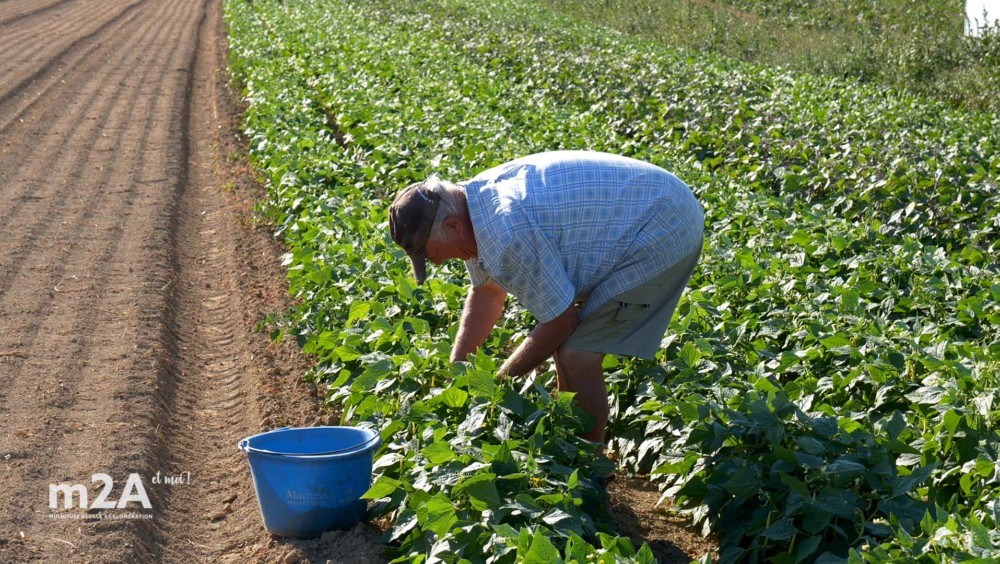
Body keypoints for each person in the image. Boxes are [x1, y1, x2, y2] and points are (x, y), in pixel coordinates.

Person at [389, 150, 704, 447]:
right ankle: (570, 436)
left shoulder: (505, 233)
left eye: (430, 254)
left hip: (663, 225)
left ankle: (591, 470)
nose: (437, 263)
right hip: (644, 206)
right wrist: (457, 368)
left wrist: (498, 383)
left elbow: (560, 322)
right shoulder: (468, 208)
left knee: (576, 353)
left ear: (451, 226)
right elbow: (487, 292)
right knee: (564, 349)